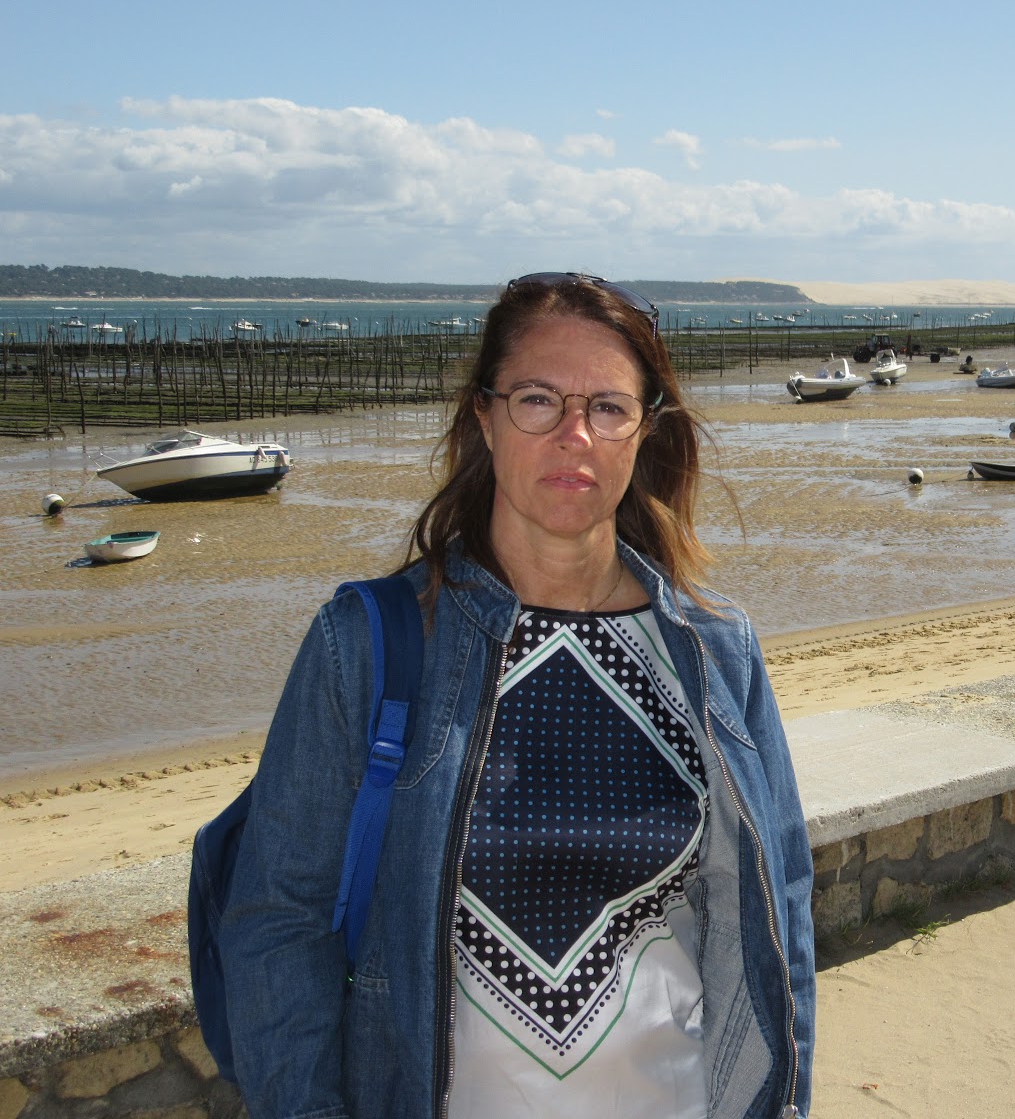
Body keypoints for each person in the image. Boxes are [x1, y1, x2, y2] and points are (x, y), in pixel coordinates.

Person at [220, 273, 814, 1119]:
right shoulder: (368, 643)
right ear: (483, 419)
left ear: (645, 431)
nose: (574, 435)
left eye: (608, 407)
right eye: (538, 399)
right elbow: (278, 920)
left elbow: (777, 914)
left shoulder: (716, 652)